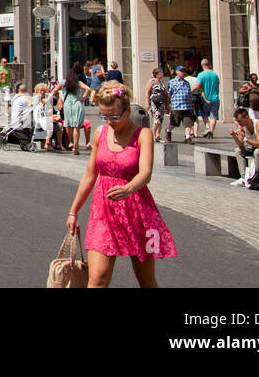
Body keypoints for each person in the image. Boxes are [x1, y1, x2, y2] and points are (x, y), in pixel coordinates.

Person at [65, 81, 176, 287]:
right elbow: (90, 175)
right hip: (103, 212)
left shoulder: (143, 135)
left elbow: (146, 173)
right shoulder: (100, 133)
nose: (109, 121)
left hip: (136, 210)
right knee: (98, 278)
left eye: (114, 116)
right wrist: (74, 211)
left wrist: (128, 188)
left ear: (127, 110)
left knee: (146, 280)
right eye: (104, 116)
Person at [52, 67, 89, 154]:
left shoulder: (63, 83)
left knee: (68, 124)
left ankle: (70, 142)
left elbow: (54, 91)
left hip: (67, 105)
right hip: (77, 104)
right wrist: (84, 97)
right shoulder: (78, 83)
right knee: (77, 126)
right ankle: (75, 147)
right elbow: (88, 88)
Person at [228, 107, 259, 187]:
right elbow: (241, 145)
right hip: (252, 146)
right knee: (238, 151)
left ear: (247, 117)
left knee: (257, 152)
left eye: (240, 121)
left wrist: (246, 140)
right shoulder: (241, 126)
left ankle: (257, 177)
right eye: (237, 121)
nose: (239, 123)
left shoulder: (258, 124)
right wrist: (234, 136)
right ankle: (244, 178)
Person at [167, 65, 196, 142]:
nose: (182, 73)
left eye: (183, 71)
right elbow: (169, 94)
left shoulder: (186, 83)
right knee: (175, 123)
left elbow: (189, 94)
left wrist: (191, 104)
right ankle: (168, 131)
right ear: (177, 72)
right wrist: (168, 104)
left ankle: (188, 137)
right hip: (177, 105)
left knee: (188, 122)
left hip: (187, 106)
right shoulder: (172, 82)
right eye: (181, 71)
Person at [195, 58, 221, 138]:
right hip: (215, 98)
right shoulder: (215, 75)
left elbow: (198, 86)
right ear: (209, 64)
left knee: (204, 115)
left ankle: (208, 128)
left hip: (205, 98)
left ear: (202, 65)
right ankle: (211, 131)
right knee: (214, 116)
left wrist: (190, 91)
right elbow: (217, 86)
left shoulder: (201, 75)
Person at [145, 66, 169, 142]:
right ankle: (153, 135)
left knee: (161, 119)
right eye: (161, 73)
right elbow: (147, 92)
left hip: (162, 103)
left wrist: (167, 104)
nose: (162, 74)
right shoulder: (152, 81)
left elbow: (166, 94)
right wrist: (147, 103)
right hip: (154, 102)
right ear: (157, 74)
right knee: (156, 118)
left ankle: (158, 135)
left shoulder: (163, 83)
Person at [0, 57, 14, 122]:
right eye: (4, 62)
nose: (5, 63)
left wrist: (12, 86)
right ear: (1, 62)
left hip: (6, 85)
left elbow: (10, 78)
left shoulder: (9, 70)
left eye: (6, 62)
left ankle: (6, 111)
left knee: (7, 98)